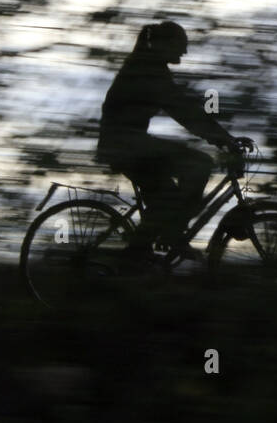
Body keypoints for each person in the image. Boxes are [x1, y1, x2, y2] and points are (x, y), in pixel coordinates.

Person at [97, 21, 250, 255]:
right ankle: (169, 238)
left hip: (125, 144)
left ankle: (146, 250)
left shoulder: (149, 65)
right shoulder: (148, 68)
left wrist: (222, 136)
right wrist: (222, 138)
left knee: (165, 200)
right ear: (163, 44)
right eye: (181, 45)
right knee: (199, 164)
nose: (184, 52)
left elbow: (183, 107)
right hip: (126, 144)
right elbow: (182, 110)